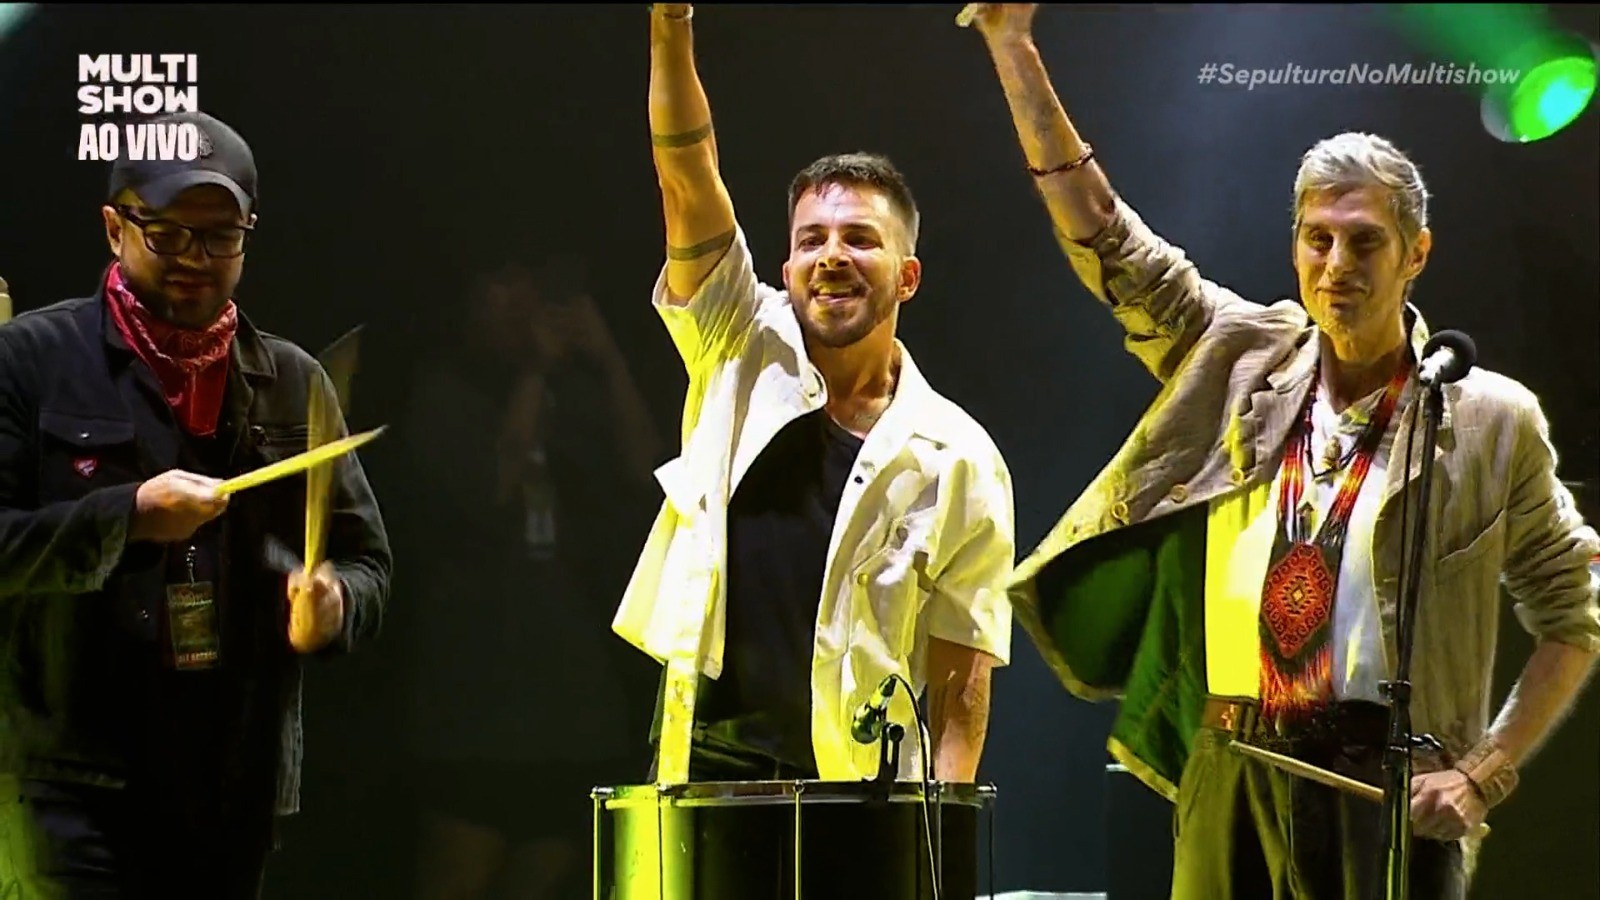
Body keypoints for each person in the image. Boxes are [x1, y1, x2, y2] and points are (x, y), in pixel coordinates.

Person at [962, 4, 1600, 898]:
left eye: (1366, 241)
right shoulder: (1239, 356)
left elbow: (1575, 618)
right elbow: (1105, 237)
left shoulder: (1490, 418)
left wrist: (1485, 770)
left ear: (1416, 254)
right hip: (1230, 762)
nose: (1338, 263)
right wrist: (1014, 46)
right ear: (1295, 246)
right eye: (1318, 239)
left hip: (1389, 789)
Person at [612, 3, 1016, 793]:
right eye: (810, 240)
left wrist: (942, 828)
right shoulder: (737, 335)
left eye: (859, 238)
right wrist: (671, 21)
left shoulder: (960, 456)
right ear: (788, 266)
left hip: (855, 788)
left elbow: (963, 676)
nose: (831, 256)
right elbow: (685, 172)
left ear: (907, 275)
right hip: (703, 766)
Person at [0, 110, 392, 898]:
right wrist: (130, 514)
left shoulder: (291, 379)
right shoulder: (32, 360)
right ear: (115, 228)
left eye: (220, 237)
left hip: (230, 783)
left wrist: (334, 603)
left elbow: (368, 563)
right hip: (69, 781)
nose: (195, 259)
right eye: (169, 234)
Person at [402, 255, 662, 900]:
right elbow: (494, 487)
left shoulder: (576, 393)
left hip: (570, 693)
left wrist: (606, 358)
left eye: (529, 289)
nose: (520, 305)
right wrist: (534, 371)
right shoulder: (445, 392)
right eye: (500, 288)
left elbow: (652, 475)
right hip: (478, 690)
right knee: (461, 868)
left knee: (550, 863)